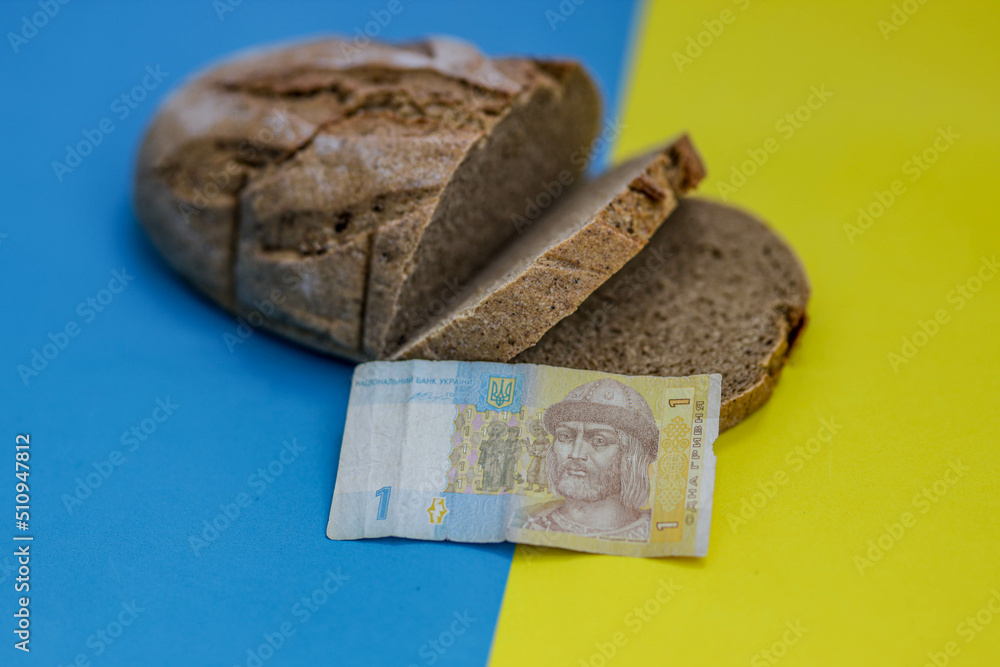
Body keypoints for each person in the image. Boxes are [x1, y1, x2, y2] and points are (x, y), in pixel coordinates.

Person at [519, 378, 659, 541]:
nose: (575, 453)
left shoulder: (654, 531)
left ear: (632, 457)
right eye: (565, 436)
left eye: (599, 440)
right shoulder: (524, 520)